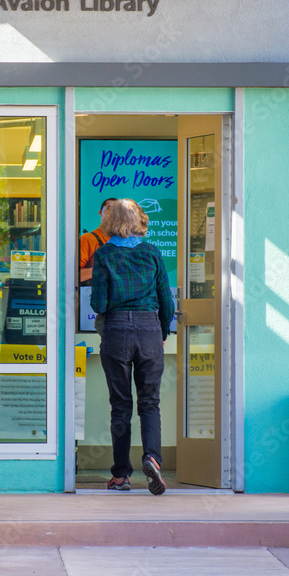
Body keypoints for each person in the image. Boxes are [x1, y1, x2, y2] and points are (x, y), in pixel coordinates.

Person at [90, 199, 175, 495]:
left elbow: (98, 303)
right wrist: (162, 331)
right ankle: (152, 458)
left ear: (109, 221)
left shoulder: (104, 254)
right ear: (139, 220)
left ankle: (121, 475)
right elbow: (166, 300)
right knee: (150, 403)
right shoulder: (152, 252)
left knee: (121, 405)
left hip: (116, 331)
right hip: (150, 328)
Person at [79, 197, 118, 285]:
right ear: (100, 213)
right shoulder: (88, 239)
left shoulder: (125, 240)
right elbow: (73, 275)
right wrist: (102, 269)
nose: (113, 213)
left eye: (117, 210)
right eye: (109, 208)